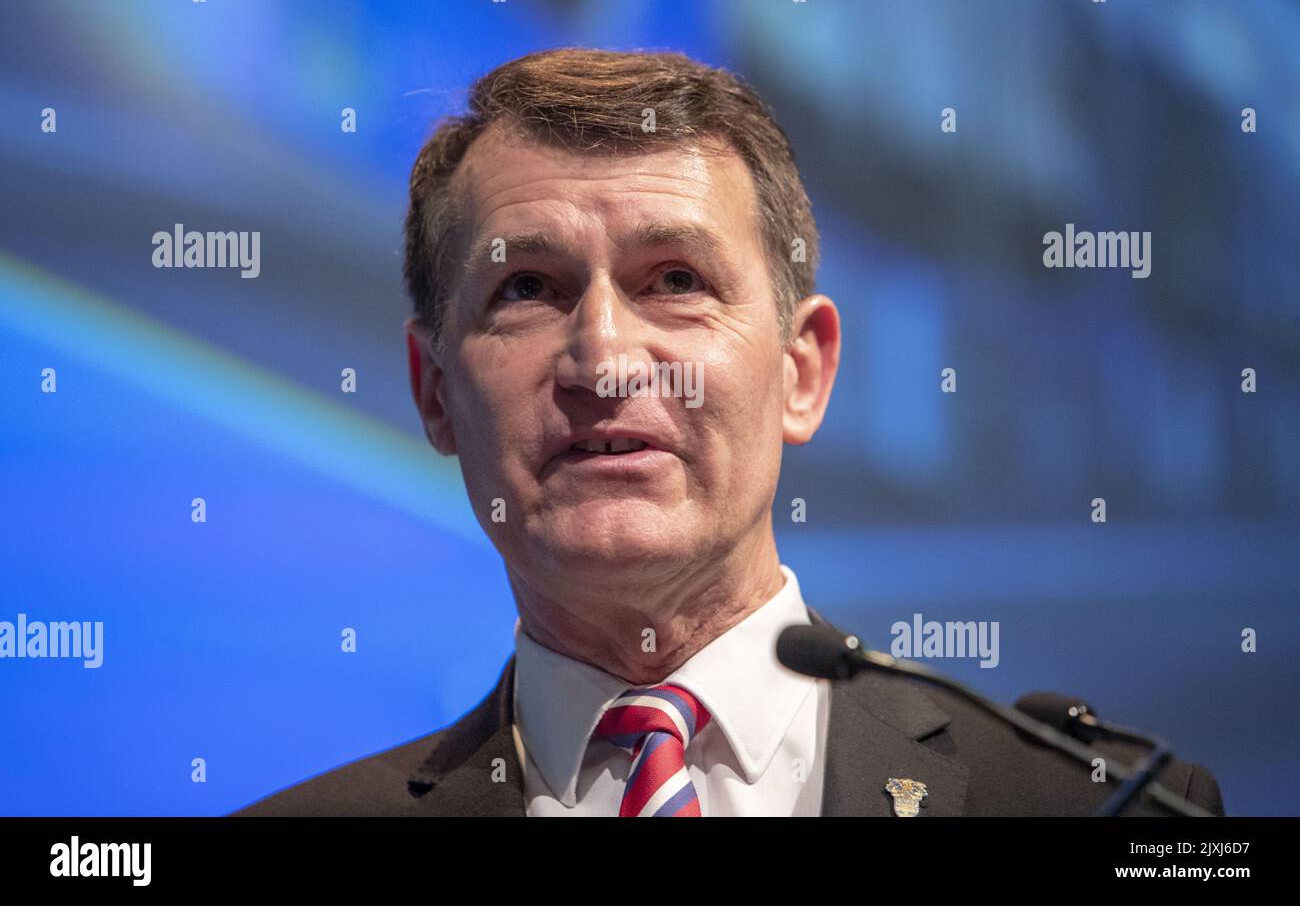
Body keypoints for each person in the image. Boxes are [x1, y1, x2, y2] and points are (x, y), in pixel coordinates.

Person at [232, 47, 1224, 817]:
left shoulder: (1104, 808)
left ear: (802, 370)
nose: (607, 360)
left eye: (675, 280)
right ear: (435, 390)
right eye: (526, 288)